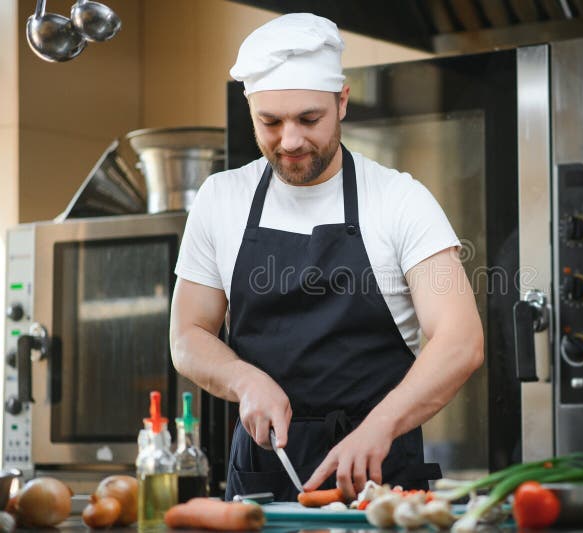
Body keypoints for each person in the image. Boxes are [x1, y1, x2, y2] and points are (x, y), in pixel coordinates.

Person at [169, 12, 484, 502]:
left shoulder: (399, 199)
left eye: (308, 119)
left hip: (380, 477)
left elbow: (461, 340)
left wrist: (381, 425)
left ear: (342, 101)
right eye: (270, 122)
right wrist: (244, 380)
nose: (290, 141)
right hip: (262, 480)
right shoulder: (220, 199)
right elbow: (188, 335)